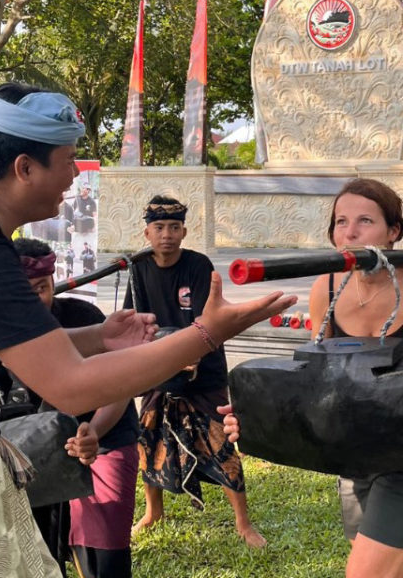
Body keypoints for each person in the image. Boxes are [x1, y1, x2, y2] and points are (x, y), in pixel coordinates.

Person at [0, 82, 294, 578]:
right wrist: (206, 334)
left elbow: (14, 350)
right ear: (24, 168)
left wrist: (98, 338)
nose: (74, 174)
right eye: (68, 161)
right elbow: (71, 385)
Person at [223, 178, 403, 578]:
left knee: (364, 573)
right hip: (352, 450)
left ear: (393, 232)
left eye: (364, 221)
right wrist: (255, 414)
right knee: (385, 571)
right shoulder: (327, 287)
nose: (350, 232)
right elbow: (317, 379)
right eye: (341, 222)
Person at [124, 195, 266, 547]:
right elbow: (132, 321)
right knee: (149, 438)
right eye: (159, 228)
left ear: (184, 231)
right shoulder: (137, 268)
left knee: (222, 443)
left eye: (174, 227)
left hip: (204, 369)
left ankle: (243, 522)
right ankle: (153, 511)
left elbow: (209, 318)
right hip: (158, 367)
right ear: (147, 233)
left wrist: (192, 352)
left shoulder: (199, 265)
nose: (167, 235)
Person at [14, 238, 140, 578]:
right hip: (34, 453)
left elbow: (120, 384)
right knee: (39, 548)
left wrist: (95, 432)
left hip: (104, 438)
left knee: (102, 552)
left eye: (42, 288)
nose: (36, 299)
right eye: (23, 292)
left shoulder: (82, 316)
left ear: (53, 281)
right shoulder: (2, 331)